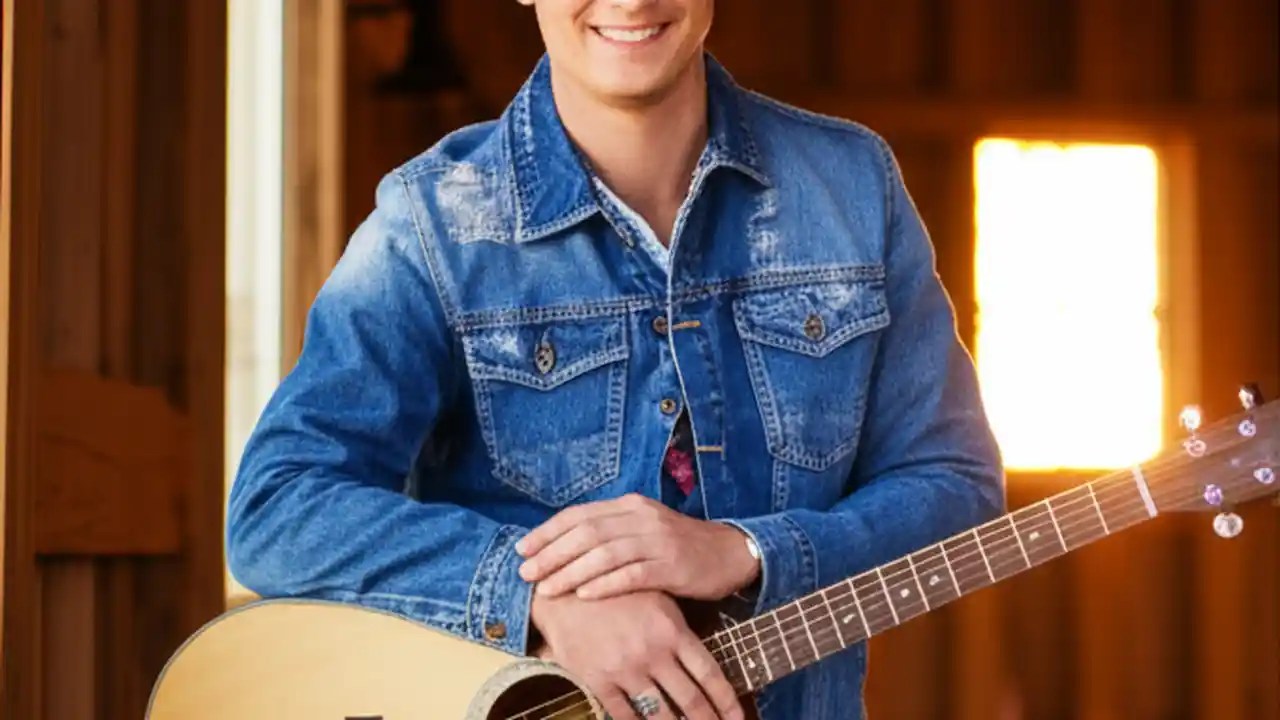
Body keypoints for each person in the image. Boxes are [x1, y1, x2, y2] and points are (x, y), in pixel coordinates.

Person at [225, 1, 1006, 718]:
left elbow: (954, 481)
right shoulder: (433, 224)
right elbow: (277, 507)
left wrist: (745, 551)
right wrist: (539, 601)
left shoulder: (852, 188)